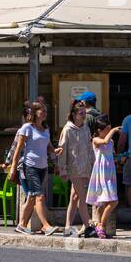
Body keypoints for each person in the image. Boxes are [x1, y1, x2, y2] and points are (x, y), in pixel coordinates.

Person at [8, 101, 59, 236]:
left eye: (46, 111)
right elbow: (18, 149)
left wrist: (55, 151)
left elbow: (47, 147)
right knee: (39, 196)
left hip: (43, 166)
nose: (45, 113)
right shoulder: (27, 128)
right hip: (29, 165)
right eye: (42, 111)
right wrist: (13, 166)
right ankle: (46, 226)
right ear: (35, 112)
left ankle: (22, 225)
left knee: (31, 196)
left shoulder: (46, 129)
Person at [57, 99, 95, 237]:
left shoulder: (86, 128)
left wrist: (93, 164)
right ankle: (87, 226)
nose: (83, 115)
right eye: (80, 113)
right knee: (82, 197)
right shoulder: (67, 130)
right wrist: (63, 169)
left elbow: (90, 149)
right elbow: (62, 150)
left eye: (84, 113)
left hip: (84, 168)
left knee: (74, 197)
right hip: (73, 168)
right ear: (73, 114)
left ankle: (67, 227)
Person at [85, 116, 120, 239]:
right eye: (106, 129)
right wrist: (113, 131)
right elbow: (104, 141)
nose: (108, 131)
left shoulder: (111, 142)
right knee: (113, 201)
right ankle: (101, 225)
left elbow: (111, 152)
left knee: (104, 202)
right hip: (101, 174)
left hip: (110, 173)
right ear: (99, 130)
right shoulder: (95, 140)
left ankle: (99, 226)